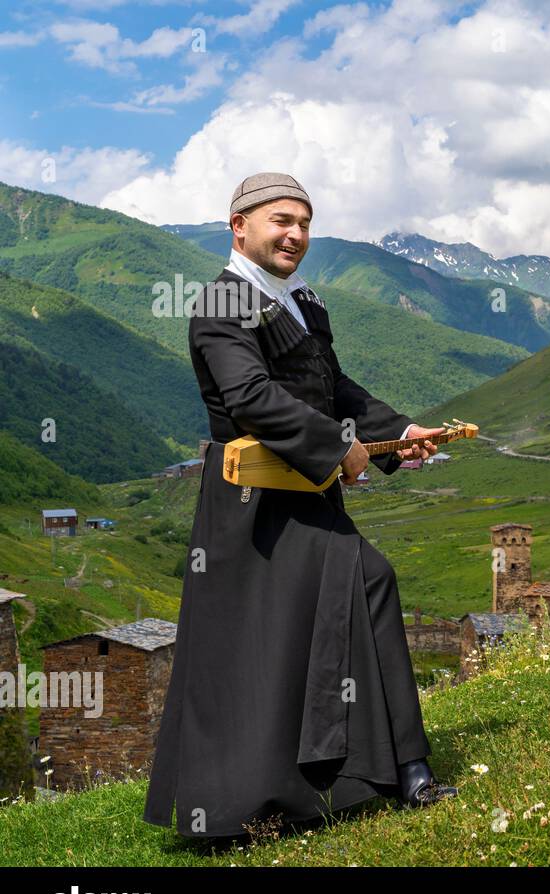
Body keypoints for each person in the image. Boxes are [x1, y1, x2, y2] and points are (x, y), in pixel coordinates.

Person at [143, 172, 457, 839]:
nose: (296, 235)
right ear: (240, 227)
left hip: (307, 494)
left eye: (305, 223)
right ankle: (259, 801)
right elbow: (252, 399)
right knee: (265, 644)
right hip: (249, 508)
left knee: (337, 606)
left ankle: (383, 771)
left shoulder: (305, 306)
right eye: (281, 220)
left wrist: (400, 434)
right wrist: (338, 449)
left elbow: (334, 387)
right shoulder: (220, 304)